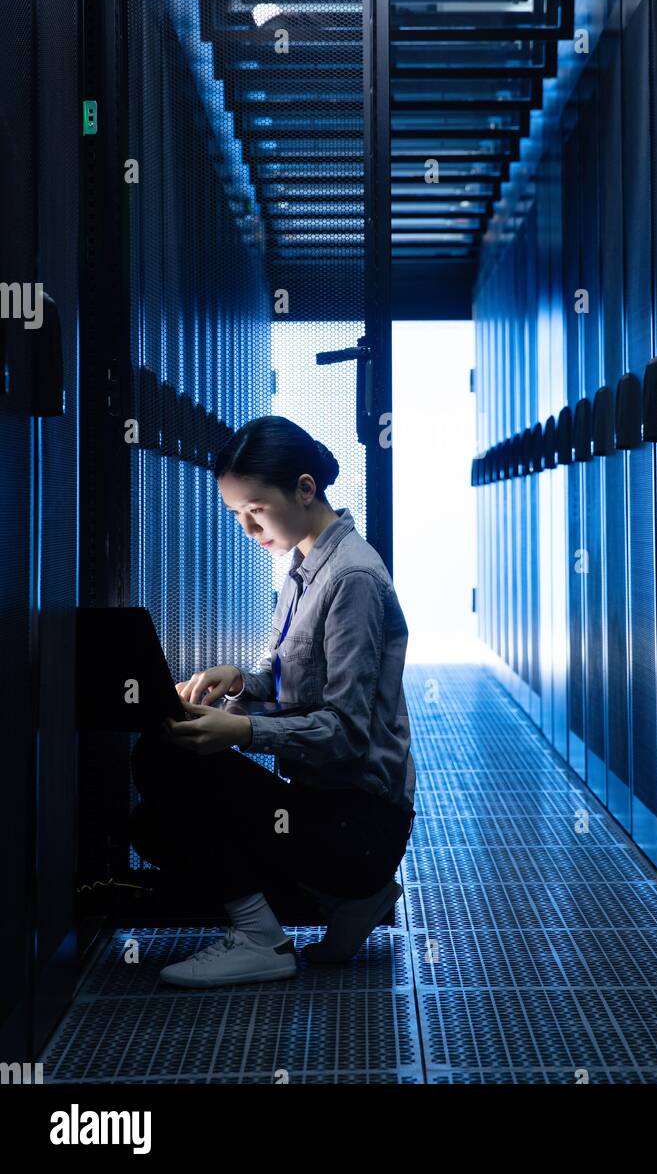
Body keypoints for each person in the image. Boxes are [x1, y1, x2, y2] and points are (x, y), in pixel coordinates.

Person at [129, 415, 416, 987]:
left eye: (255, 510)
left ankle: (267, 937)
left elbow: (345, 730)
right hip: (320, 811)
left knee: (165, 762)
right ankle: (342, 899)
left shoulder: (351, 578)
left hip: (357, 829)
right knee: (153, 825)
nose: (246, 526)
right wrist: (241, 683)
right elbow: (295, 677)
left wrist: (242, 732)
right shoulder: (305, 564)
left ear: (304, 489)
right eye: (237, 513)